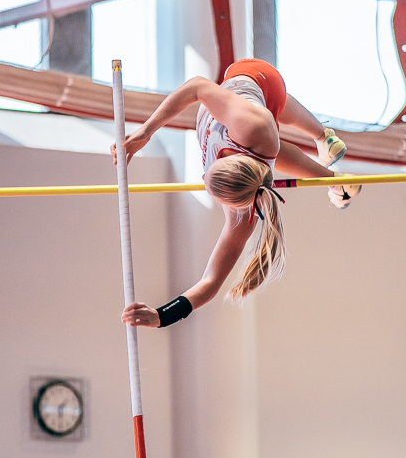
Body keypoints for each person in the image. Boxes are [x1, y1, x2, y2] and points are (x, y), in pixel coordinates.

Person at [117, 58, 362, 330]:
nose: (201, 176)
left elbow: (210, 280)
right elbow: (198, 86)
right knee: (271, 117)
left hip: (259, 129)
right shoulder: (248, 128)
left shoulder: (244, 196)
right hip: (255, 76)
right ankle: (327, 152)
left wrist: (162, 316)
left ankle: (329, 160)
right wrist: (146, 131)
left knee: (270, 139)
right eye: (209, 176)